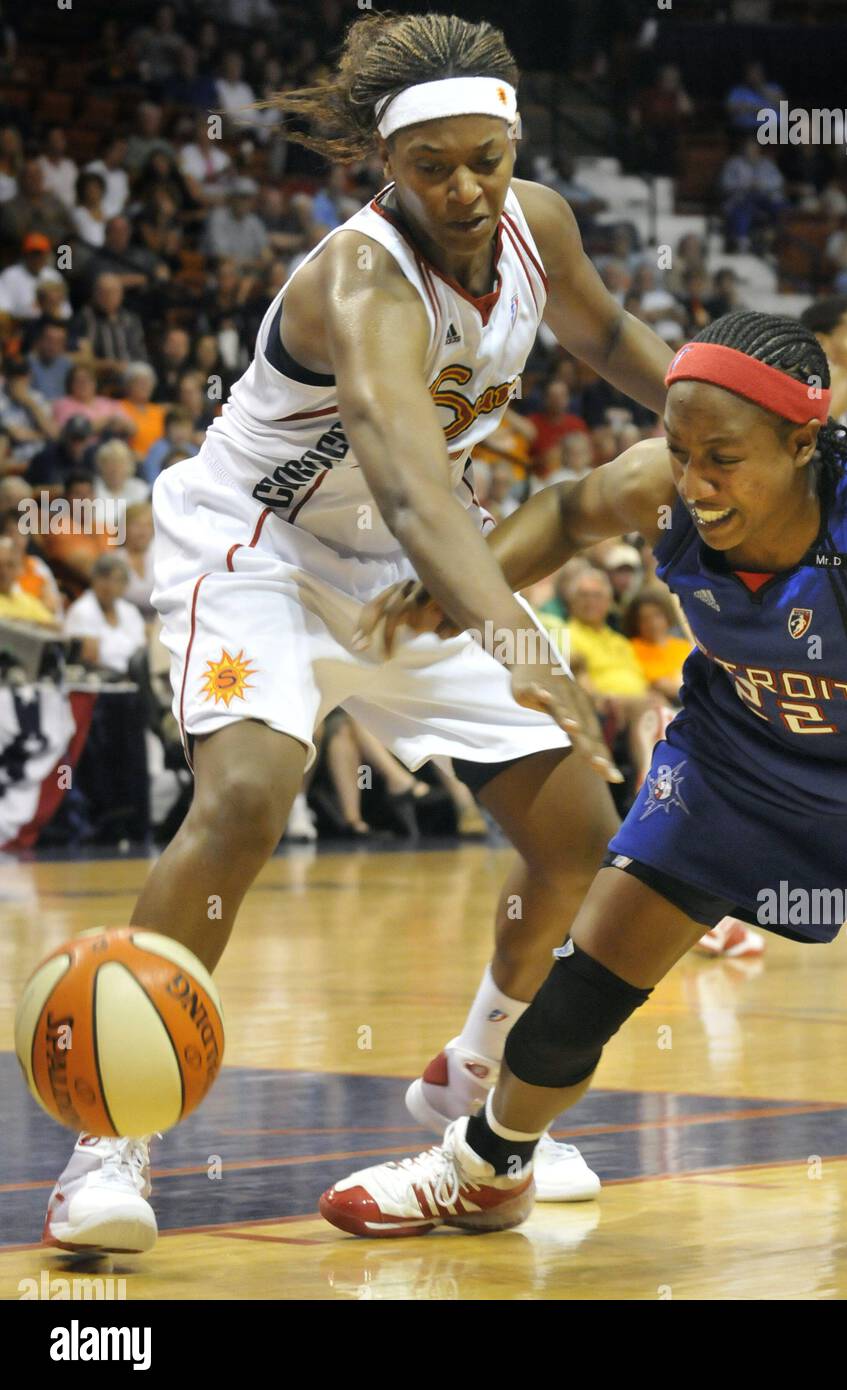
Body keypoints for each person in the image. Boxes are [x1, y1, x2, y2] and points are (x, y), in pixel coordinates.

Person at [41, 10, 682, 1255]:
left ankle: (477, 1082)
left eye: (481, 160)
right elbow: (407, 483)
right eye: (428, 164)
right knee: (246, 794)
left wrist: (737, 403)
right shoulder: (360, 280)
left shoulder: (536, 226)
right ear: (384, 165)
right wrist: (523, 640)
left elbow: (604, 338)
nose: (461, 187)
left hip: (400, 560)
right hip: (257, 546)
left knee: (578, 834)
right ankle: (107, 1140)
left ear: (513, 146)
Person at [324, 307, 847, 1236]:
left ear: (801, 440)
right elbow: (571, 509)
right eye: (678, 447)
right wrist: (464, 594)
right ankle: (486, 1169)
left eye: (723, 458)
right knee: (588, 981)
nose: (693, 481)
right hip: (748, 756)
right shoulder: (667, 485)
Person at [64, 553, 146, 674]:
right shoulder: (82, 610)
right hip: (99, 681)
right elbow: (89, 659)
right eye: (105, 578)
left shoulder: (130, 611)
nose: (110, 586)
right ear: (94, 579)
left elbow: (142, 651)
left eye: (117, 581)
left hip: (135, 677)